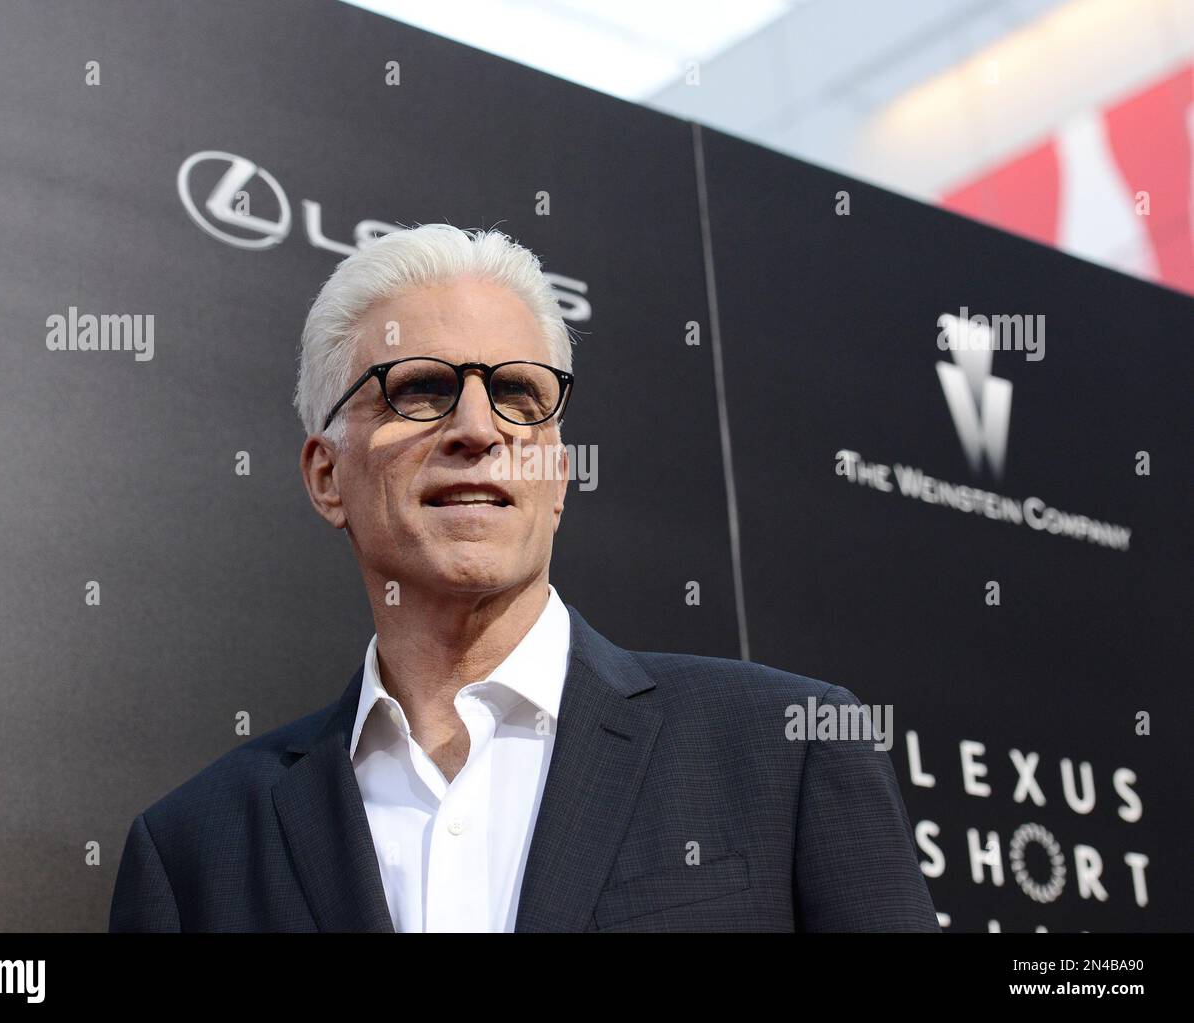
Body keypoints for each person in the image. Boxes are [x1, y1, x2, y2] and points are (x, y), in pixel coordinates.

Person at [109, 223, 939, 932]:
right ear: (328, 476)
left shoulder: (785, 747)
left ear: (560, 472)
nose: (478, 428)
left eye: (517, 394)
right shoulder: (195, 852)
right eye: (421, 390)